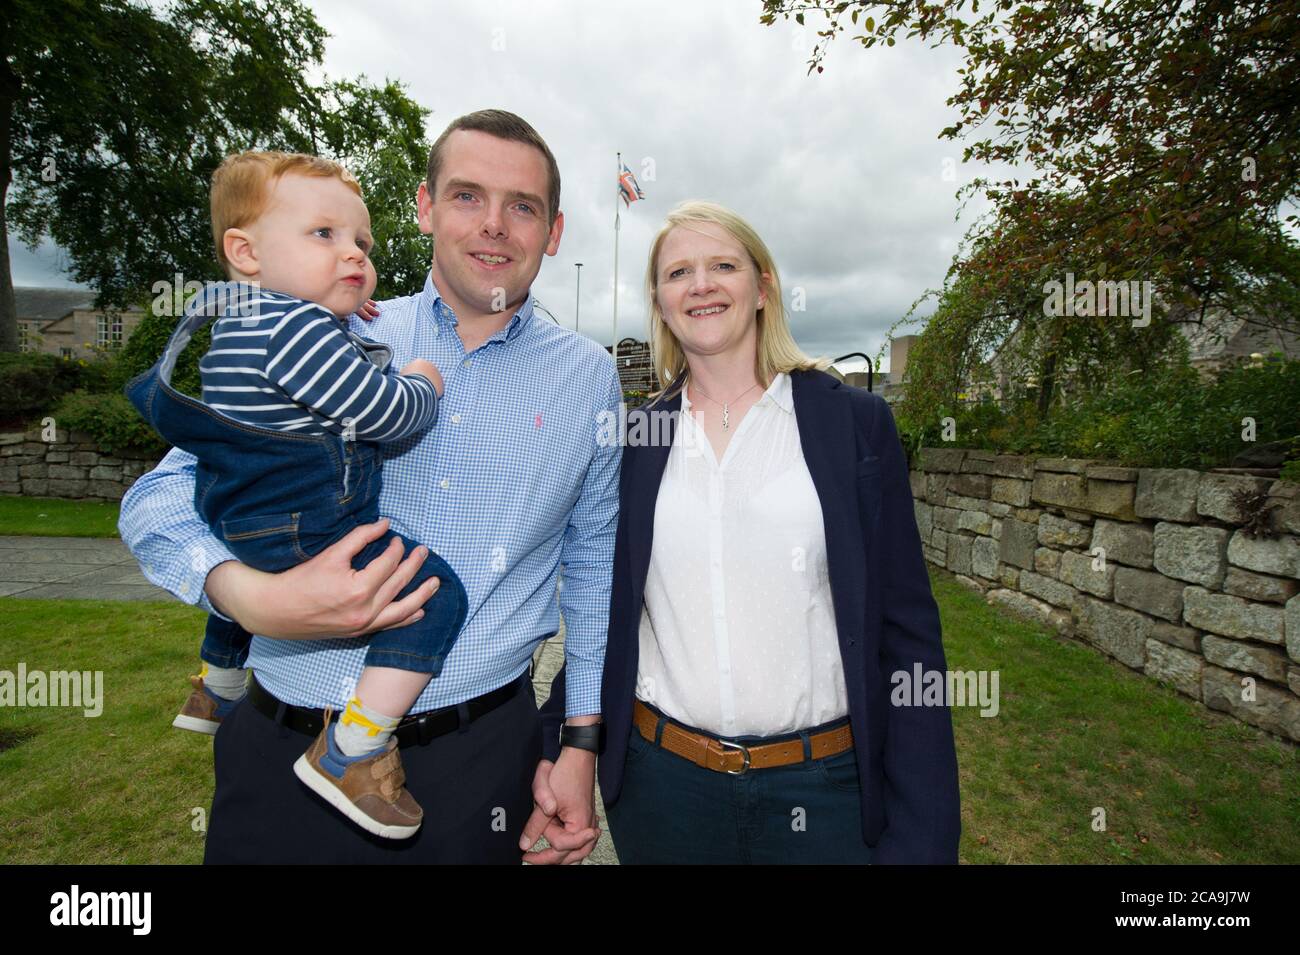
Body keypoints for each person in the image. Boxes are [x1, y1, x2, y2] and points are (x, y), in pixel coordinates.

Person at [119, 110, 616, 864]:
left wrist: (580, 743)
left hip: (475, 767)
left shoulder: (589, 377)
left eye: (523, 206)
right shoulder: (323, 326)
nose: (494, 226)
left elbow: (595, 564)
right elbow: (159, 499)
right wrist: (249, 597)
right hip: (278, 753)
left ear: (552, 231)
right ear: (423, 206)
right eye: (467, 195)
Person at [544, 200, 961, 864]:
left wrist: (926, 832)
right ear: (659, 299)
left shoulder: (853, 424)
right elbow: (603, 609)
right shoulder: (636, 439)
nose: (701, 284)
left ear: (763, 285)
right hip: (663, 796)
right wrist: (560, 746)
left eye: (723, 265)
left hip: (824, 794)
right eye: (679, 271)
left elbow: (907, 634)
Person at [125, 150, 470, 840]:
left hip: (237, 517)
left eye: (361, 244)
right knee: (437, 595)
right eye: (325, 236)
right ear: (245, 251)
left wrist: (337, 307)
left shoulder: (236, 317)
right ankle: (355, 747)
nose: (353, 254)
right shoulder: (297, 327)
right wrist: (424, 381)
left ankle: (216, 680)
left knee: (250, 560)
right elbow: (382, 413)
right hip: (303, 521)